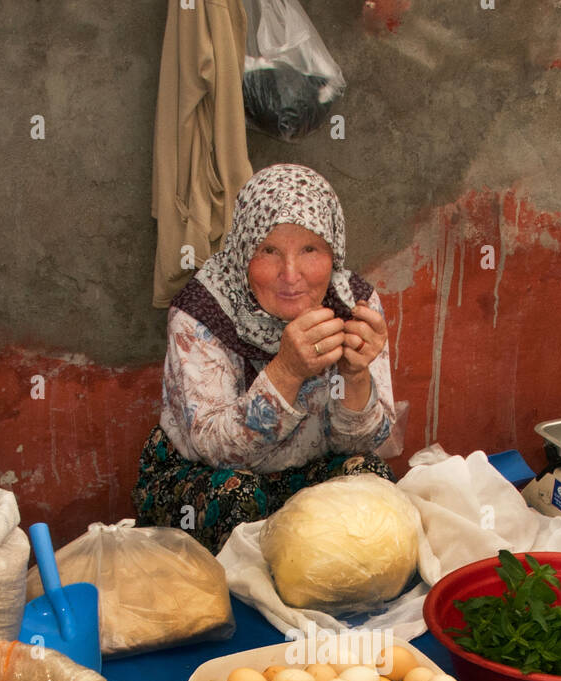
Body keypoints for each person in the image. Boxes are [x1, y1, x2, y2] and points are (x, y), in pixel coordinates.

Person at [134, 163, 397, 552]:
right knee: (238, 498)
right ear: (243, 251)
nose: (290, 274)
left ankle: (329, 602)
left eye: (310, 249)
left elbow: (365, 442)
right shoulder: (201, 311)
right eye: (269, 250)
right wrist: (287, 371)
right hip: (206, 478)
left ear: (333, 251)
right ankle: (241, 610)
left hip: (305, 475)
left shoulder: (354, 304)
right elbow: (216, 450)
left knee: (372, 481)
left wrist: (355, 376)